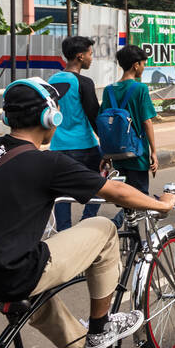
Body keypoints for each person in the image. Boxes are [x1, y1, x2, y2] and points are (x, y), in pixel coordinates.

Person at [0, 78, 175, 348]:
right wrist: (162, 203)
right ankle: (100, 329)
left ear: (7, 117)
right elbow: (116, 191)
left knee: (33, 277)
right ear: (50, 116)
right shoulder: (48, 164)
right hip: (8, 273)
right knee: (104, 229)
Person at [48, 36, 103, 232]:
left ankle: (63, 232)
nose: (91, 58)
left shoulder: (52, 81)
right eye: (90, 54)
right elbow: (94, 116)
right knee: (100, 182)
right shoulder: (84, 82)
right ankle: (87, 222)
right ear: (80, 56)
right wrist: (105, 145)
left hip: (58, 146)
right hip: (84, 145)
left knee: (61, 191)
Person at [104, 46, 159, 194]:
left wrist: (105, 153)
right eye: (143, 64)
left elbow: (105, 124)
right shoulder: (140, 89)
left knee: (123, 197)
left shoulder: (108, 90)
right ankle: (119, 219)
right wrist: (153, 152)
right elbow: (146, 122)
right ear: (136, 65)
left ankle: (122, 217)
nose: (143, 68)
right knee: (140, 196)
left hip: (116, 152)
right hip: (137, 152)